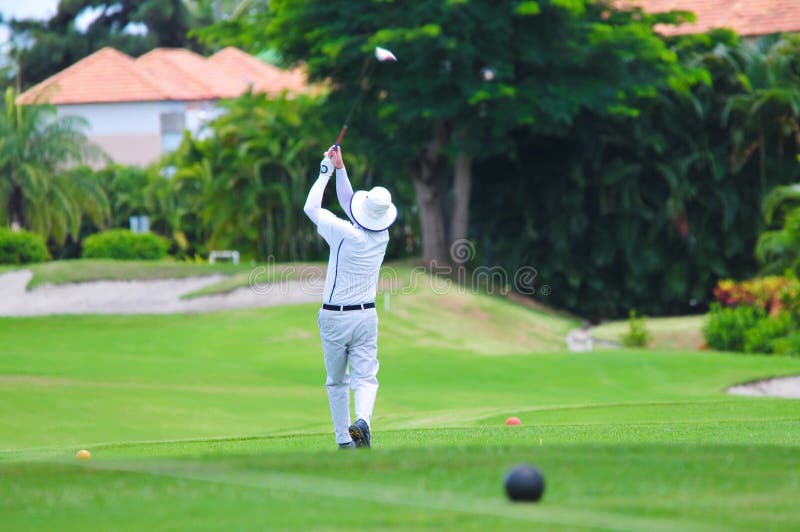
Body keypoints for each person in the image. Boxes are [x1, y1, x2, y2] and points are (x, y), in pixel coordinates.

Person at [303, 145, 397, 449]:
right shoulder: (381, 237)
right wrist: (341, 168)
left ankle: (344, 441)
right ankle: (364, 422)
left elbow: (311, 208)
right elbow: (351, 205)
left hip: (334, 317)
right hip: (366, 315)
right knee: (366, 377)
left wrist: (325, 173)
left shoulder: (344, 232)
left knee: (336, 381)